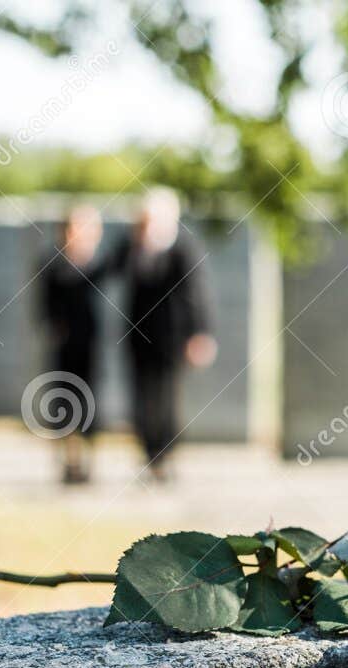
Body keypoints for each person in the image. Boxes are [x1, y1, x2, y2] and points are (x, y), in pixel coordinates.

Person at [116, 188, 217, 482]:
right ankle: (148, 454)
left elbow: (198, 293)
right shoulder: (131, 247)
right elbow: (109, 270)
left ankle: (165, 456)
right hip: (138, 336)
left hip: (172, 338)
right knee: (141, 399)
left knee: (167, 399)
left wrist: (201, 333)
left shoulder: (183, 250)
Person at [38, 205, 109, 484]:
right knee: (64, 402)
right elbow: (45, 307)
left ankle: (88, 459)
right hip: (64, 347)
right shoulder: (53, 264)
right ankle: (70, 458)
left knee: (91, 402)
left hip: (91, 345)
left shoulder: (100, 265)